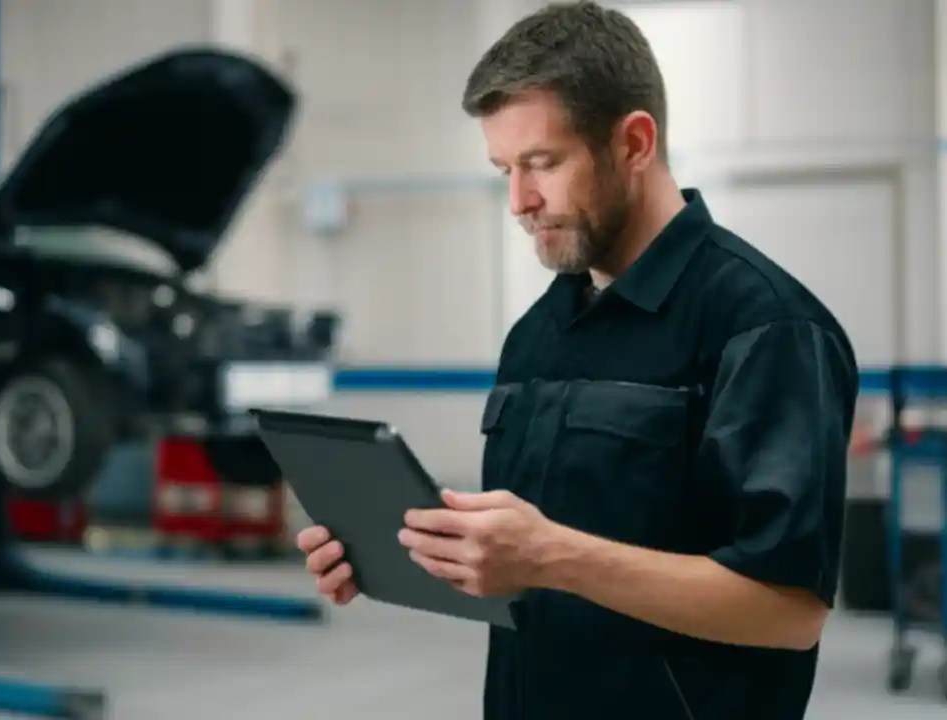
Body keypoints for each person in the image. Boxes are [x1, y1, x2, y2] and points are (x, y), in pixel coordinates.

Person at [296, 2, 860, 718]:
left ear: (633, 142)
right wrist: (399, 551)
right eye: (503, 168)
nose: (519, 202)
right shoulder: (539, 332)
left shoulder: (765, 325)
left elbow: (789, 611)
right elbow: (536, 563)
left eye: (541, 163)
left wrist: (550, 557)